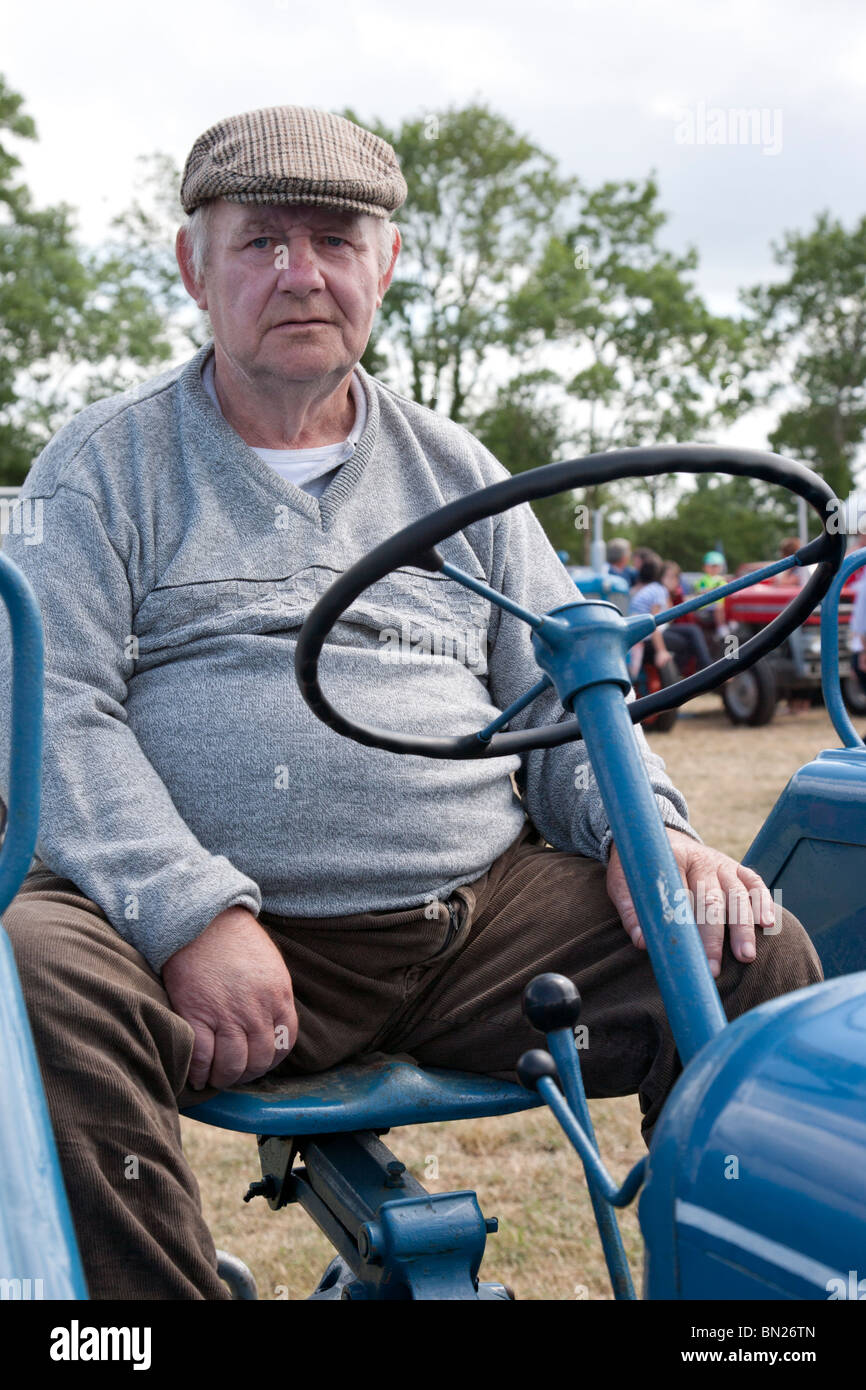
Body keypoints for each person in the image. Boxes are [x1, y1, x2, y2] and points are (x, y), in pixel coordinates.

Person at [0, 104, 822, 1301]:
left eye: (335, 240)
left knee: (744, 948)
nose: (300, 273)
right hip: (200, 948)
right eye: (260, 241)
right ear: (193, 264)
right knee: (26, 966)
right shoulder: (104, 464)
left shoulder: (459, 469)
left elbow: (557, 690)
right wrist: (188, 914)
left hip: (470, 932)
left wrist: (652, 836)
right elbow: (55, 707)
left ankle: (752, 1314)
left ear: (385, 264)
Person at [626, 552, 676, 679]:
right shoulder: (658, 590)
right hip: (645, 637)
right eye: (670, 577)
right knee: (685, 639)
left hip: (636, 635)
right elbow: (655, 621)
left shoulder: (640, 590)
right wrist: (660, 651)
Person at [659, 561, 714, 672]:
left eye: (675, 578)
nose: (672, 581)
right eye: (668, 577)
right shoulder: (660, 592)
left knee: (691, 636)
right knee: (693, 631)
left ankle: (686, 673)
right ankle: (707, 667)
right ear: (661, 577)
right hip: (659, 630)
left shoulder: (673, 593)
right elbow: (668, 618)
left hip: (667, 627)